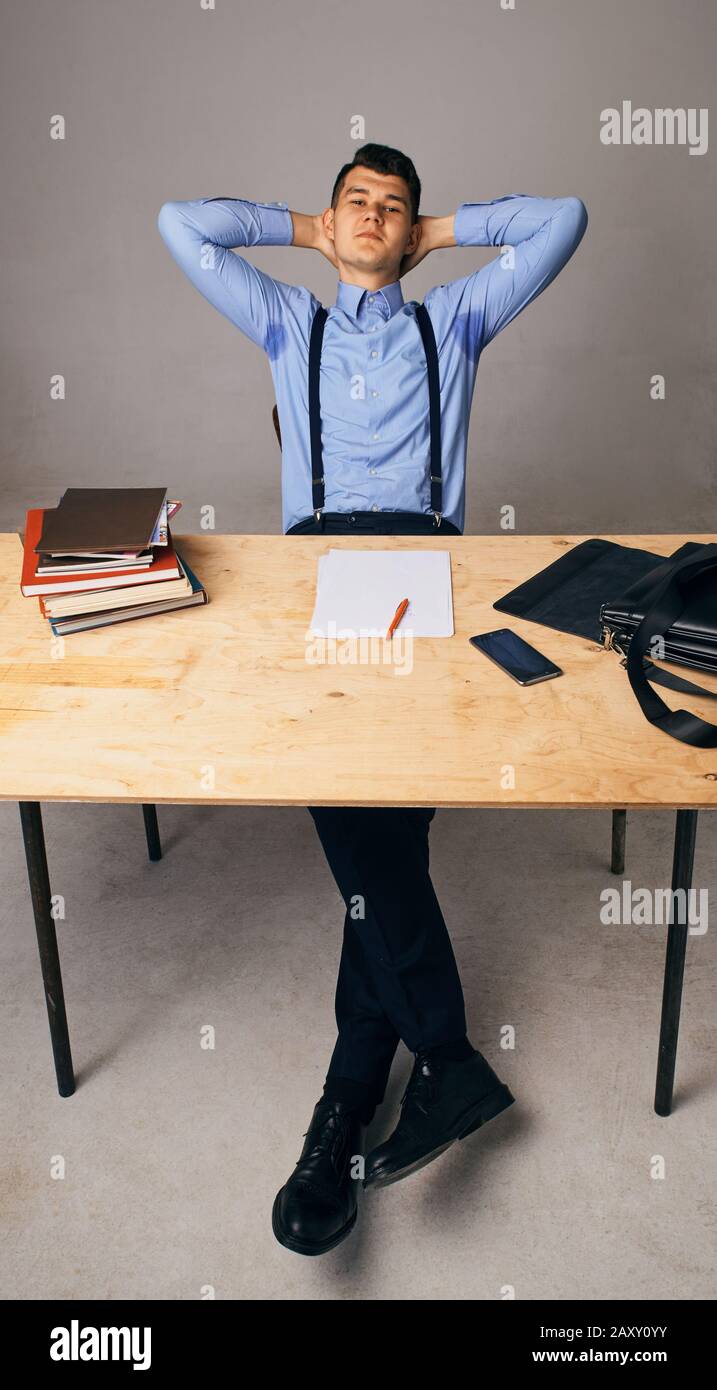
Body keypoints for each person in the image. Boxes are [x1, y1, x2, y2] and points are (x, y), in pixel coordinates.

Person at [158, 143, 588, 1257]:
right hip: (317, 579)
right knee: (372, 829)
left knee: (375, 832)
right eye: (360, 200)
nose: (373, 217)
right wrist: (314, 226)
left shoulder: (457, 323)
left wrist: (432, 235)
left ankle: (345, 1106)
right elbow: (179, 222)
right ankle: (434, 1062)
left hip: (428, 577)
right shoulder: (286, 323)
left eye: (391, 208)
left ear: (413, 230)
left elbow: (564, 217)